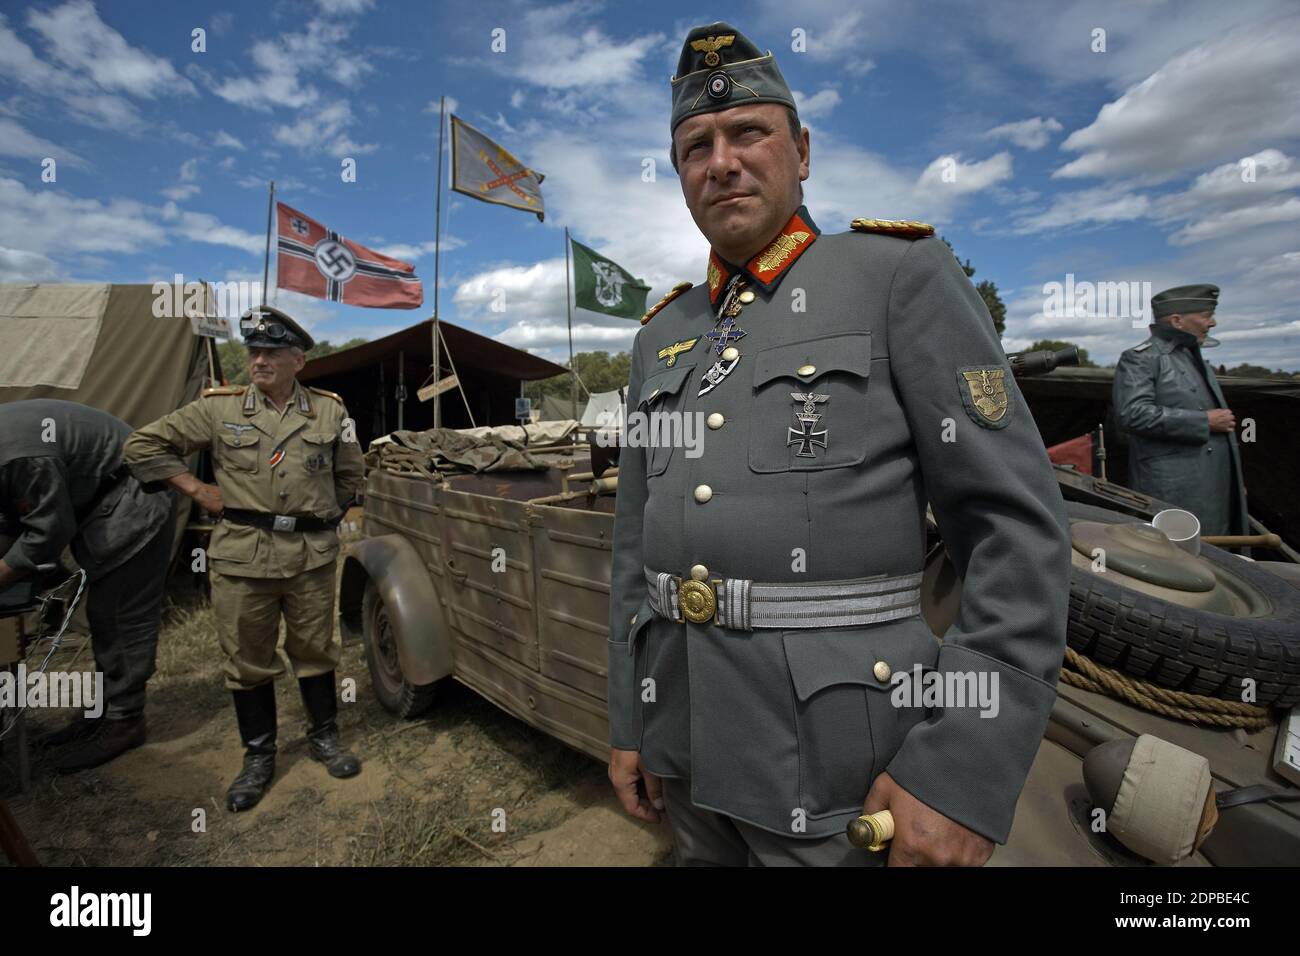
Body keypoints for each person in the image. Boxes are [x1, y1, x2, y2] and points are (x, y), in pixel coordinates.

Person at [606, 21, 1071, 866]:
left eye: (748, 132)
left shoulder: (897, 277)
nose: (721, 161)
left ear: (804, 150)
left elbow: (1014, 533)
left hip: (842, 765)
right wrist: (631, 722)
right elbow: (634, 547)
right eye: (693, 146)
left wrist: (961, 770)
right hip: (687, 739)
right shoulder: (659, 336)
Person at [123, 306, 366, 811]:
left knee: (316, 651)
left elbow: (350, 475)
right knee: (247, 662)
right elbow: (142, 445)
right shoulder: (218, 409)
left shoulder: (330, 412)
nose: (258, 360)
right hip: (242, 557)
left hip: (310, 557)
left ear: (298, 360)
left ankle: (324, 737)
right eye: (254, 351)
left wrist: (319, 516)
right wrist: (195, 488)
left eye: (271, 352)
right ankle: (259, 757)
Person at [0, 400, 176, 772]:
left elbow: (48, 530)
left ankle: (126, 722)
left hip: (133, 499)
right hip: (102, 496)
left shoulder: (22, 456)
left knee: (118, 614)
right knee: (104, 618)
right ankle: (102, 713)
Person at [1112, 284, 1247, 536]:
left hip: (1214, 485)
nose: (1213, 323)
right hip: (1176, 492)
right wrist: (1203, 421)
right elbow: (1131, 414)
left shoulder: (1195, 359)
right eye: (1206, 316)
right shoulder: (1141, 358)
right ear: (1177, 320)